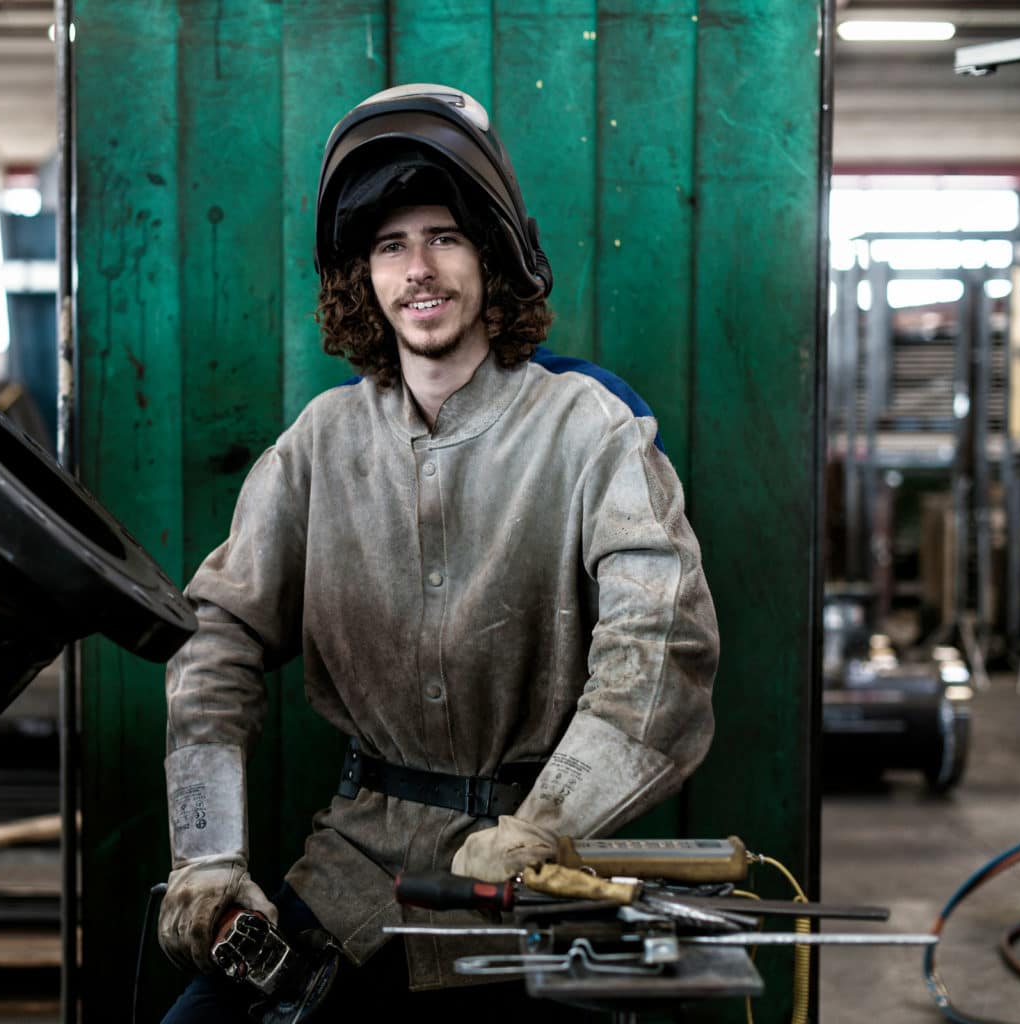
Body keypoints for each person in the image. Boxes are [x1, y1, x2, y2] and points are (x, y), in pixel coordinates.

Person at [156, 83, 719, 1021]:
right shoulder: (320, 442)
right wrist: (206, 855)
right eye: (390, 246)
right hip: (352, 869)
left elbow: (663, 652)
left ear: (493, 258)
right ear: (362, 280)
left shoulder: (591, 431)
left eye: (445, 238)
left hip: (528, 881)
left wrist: (544, 826)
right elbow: (214, 641)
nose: (419, 270)